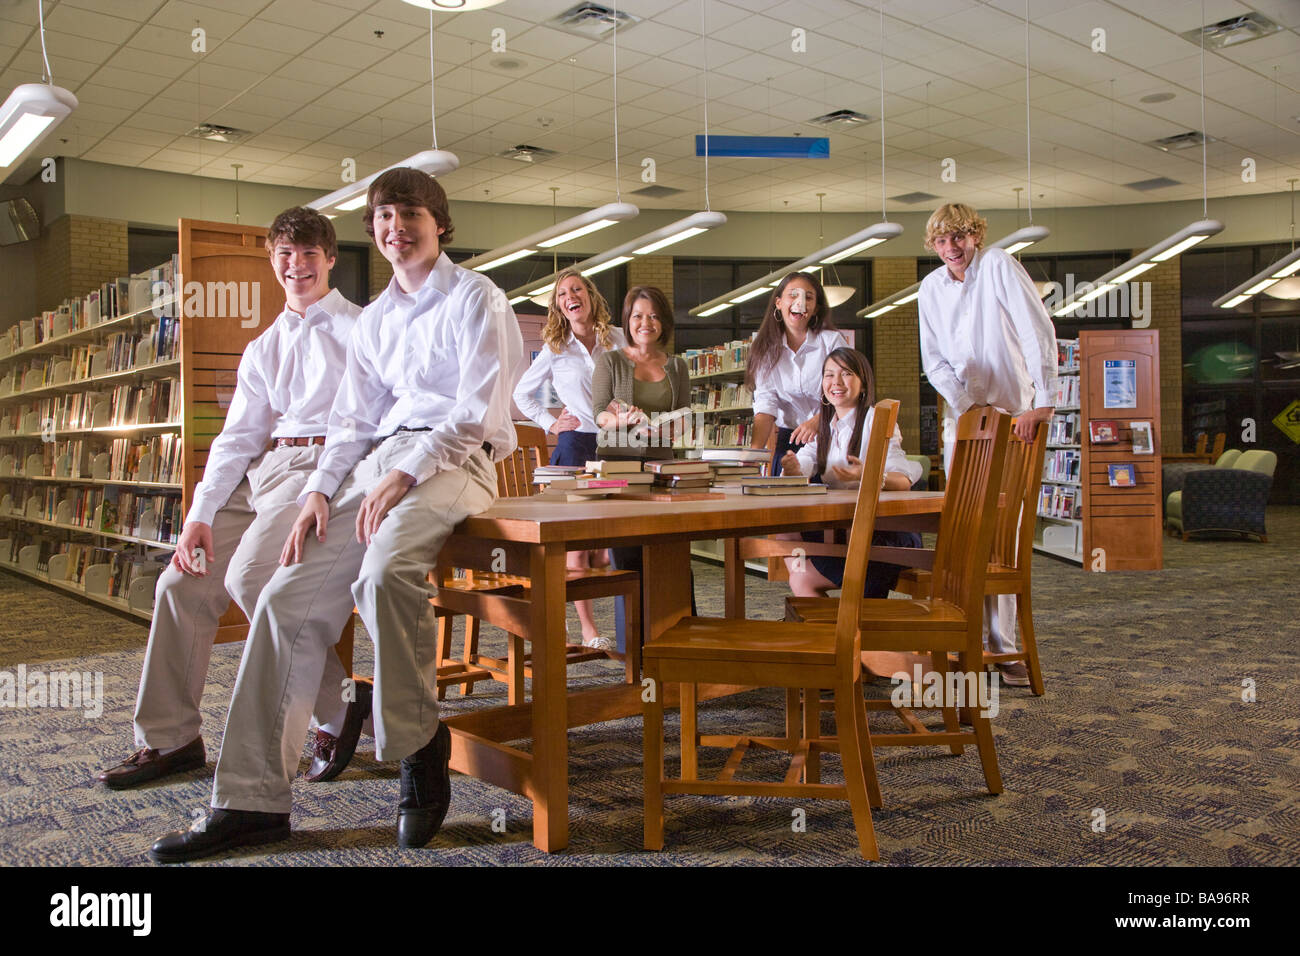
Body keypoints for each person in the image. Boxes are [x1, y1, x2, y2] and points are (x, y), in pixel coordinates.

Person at [148, 168, 524, 862]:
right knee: (283, 596)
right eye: (383, 216)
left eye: (409, 212)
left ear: (439, 223)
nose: (395, 227)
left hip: (455, 461)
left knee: (384, 572)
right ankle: (250, 801)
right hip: (375, 460)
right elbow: (352, 422)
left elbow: (476, 415)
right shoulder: (377, 319)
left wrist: (406, 472)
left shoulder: (480, 299)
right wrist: (321, 490)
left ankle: (417, 743)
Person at [96, 207, 368, 791]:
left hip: (328, 467)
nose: (296, 265)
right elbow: (237, 439)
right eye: (285, 255)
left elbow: (376, 421)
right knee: (180, 581)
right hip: (268, 467)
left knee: (249, 579)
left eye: (308, 253)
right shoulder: (262, 347)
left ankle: (342, 708)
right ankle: (170, 738)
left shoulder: (363, 329)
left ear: (329, 258)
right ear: (273, 261)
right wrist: (198, 516)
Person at [917, 202, 1057, 687]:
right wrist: (965, 406)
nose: (951, 248)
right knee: (965, 532)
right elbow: (933, 360)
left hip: (1014, 417)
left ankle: (1003, 647)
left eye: (959, 237)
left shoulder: (998, 265)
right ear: (932, 245)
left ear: (975, 235)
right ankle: (966, 640)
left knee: (1002, 535)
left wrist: (1044, 401)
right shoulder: (930, 288)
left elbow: (1039, 331)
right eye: (941, 240)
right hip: (966, 425)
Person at [512, 268, 626, 650]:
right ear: (559, 306)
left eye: (577, 289)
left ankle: (633, 625)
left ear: (590, 296)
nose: (570, 297)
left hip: (617, 445)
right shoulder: (556, 348)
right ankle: (588, 629)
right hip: (575, 446)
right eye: (562, 294)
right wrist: (551, 422)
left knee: (617, 541)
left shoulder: (618, 340)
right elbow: (522, 394)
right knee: (577, 546)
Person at [591, 285, 692, 653]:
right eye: (637, 316)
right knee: (630, 558)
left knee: (673, 555)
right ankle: (634, 649)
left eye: (652, 315)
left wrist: (667, 425)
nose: (645, 323)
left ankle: (680, 644)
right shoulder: (611, 362)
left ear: (663, 321)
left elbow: (683, 416)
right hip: (621, 470)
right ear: (627, 321)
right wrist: (624, 420)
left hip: (665, 470)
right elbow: (599, 414)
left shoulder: (678, 366)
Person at [780, 347, 923, 598]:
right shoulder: (825, 427)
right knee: (783, 529)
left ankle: (840, 628)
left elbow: (903, 481)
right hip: (842, 534)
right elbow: (803, 463)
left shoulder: (875, 420)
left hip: (882, 537)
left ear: (863, 382)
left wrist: (866, 474)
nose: (835, 382)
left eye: (846, 374)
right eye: (828, 375)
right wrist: (792, 468)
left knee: (801, 579)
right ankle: (837, 626)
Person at [746, 271, 849, 475]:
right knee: (784, 502)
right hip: (789, 442)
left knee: (826, 503)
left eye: (808, 297)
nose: (800, 302)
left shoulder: (832, 342)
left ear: (816, 308)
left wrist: (818, 421)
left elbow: (849, 393)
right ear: (778, 303)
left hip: (831, 439)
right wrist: (754, 454)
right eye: (792, 295)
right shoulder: (765, 350)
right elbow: (766, 404)